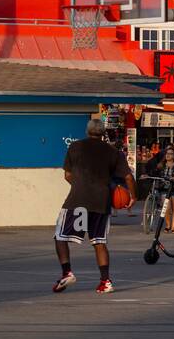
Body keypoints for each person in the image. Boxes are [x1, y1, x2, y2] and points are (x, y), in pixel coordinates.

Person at [52, 119, 135, 294]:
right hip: (101, 201)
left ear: (87, 131)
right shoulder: (113, 152)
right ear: (103, 133)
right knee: (99, 242)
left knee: (61, 236)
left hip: (79, 200)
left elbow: (67, 175)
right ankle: (105, 281)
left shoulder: (75, 147)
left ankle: (67, 272)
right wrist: (133, 197)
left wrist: (82, 186)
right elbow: (128, 177)